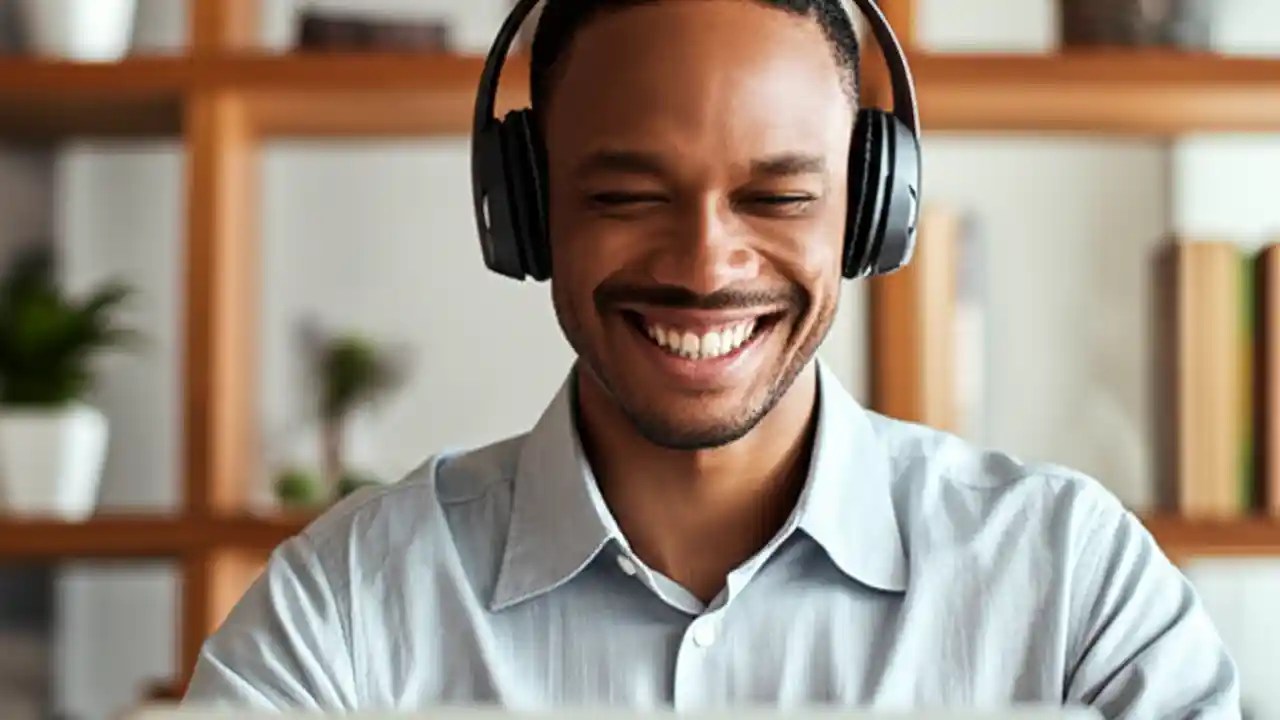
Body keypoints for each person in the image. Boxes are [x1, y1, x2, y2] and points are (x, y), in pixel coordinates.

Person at [183, 0, 1241, 716]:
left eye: (776, 197)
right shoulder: (349, 607)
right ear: (526, 212)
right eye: (625, 195)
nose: (702, 264)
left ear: (869, 211)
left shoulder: (1070, 582)